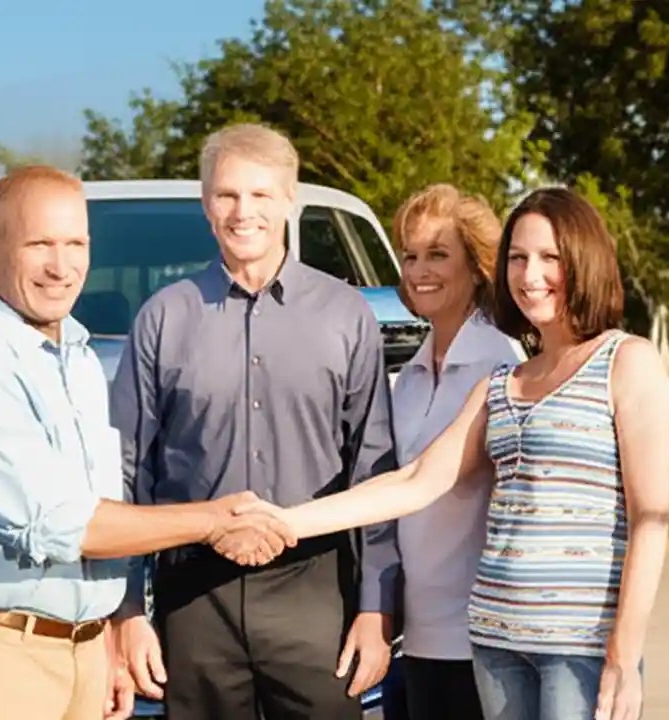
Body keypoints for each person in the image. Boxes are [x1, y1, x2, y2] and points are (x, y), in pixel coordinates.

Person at [237, 186, 669, 720]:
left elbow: (650, 521)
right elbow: (415, 480)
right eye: (518, 258)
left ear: (584, 261)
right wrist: (284, 520)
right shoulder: (503, 384)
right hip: (495, 643)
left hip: (578, 647)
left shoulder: (626, 361)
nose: (529, 274)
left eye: (549, 257)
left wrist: (623, 656)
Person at [0, 165, 296, 720]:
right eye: (40, 244)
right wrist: (215, 520)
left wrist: (109, 633)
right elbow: (60, 523)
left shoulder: (82, 360)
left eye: (76, 244)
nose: (61, 267)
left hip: (85, 656)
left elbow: (108, 508)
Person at [109, 123, 400, 720]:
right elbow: (126, 471)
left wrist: (377, 607)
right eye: (227, 195)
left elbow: (375, 468)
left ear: (290, 199)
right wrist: (127, 613)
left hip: (315, 593)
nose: (244, 212)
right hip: (194, 597)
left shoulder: (346, 315)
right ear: (206, 205)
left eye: (261, 195)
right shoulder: (163, 317)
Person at [385, 184, 524, 719]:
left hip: (481, 641)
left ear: (478, 265)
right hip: (416, 637)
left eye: (439, 254)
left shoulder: (502, 364)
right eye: (411, 255)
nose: (420, 269)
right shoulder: (410, 377)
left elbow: (420, 480)